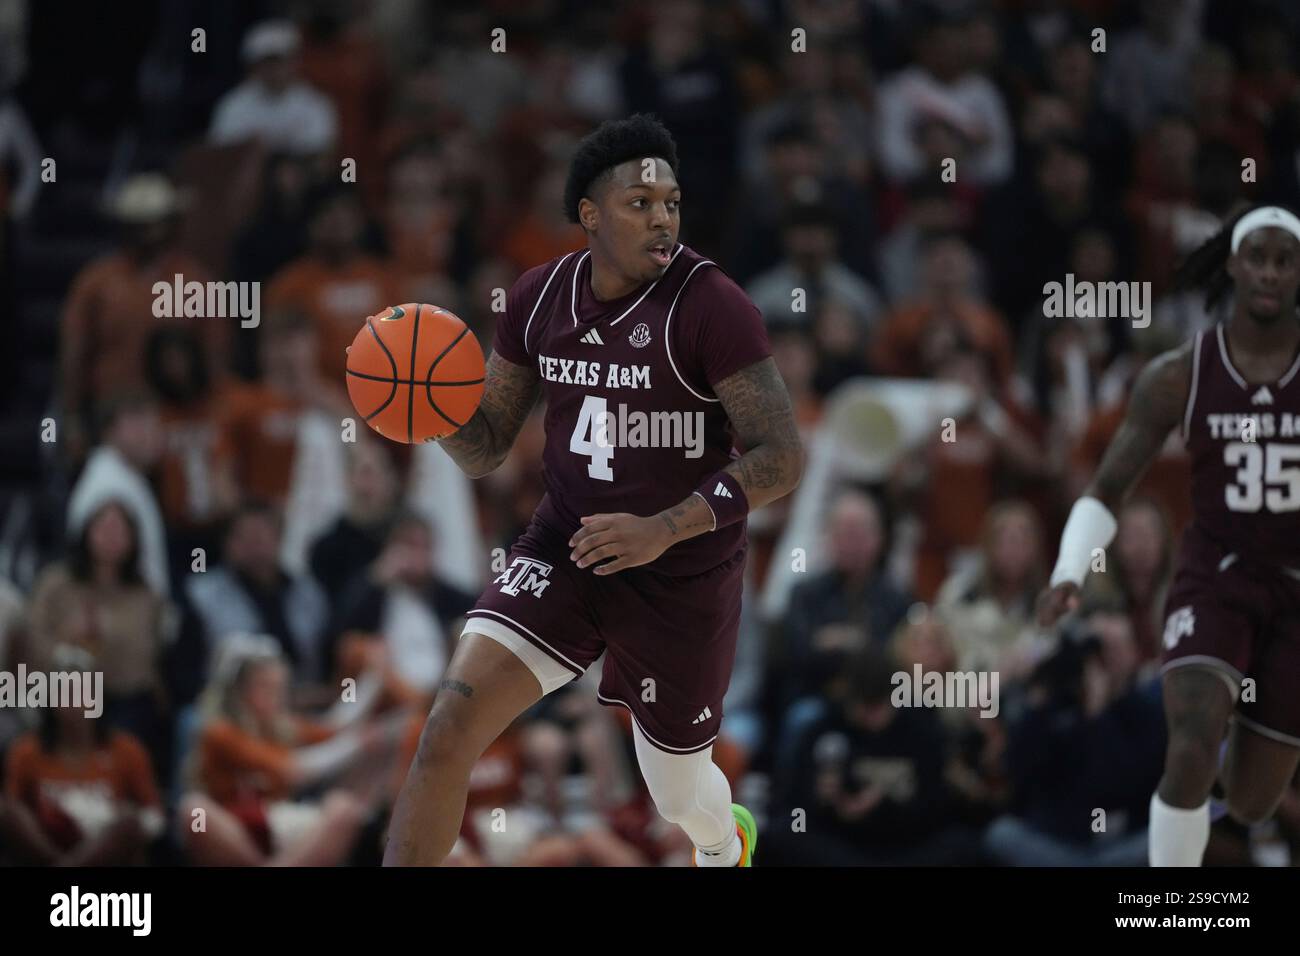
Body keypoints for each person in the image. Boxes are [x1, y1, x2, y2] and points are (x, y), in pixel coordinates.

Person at [383, 114, 804, 867]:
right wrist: (430, 409)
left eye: (671, 202)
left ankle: (723, 841)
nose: (662, 218)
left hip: (682, 569)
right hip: (566, 546)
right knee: (447, 727)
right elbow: (483, 449)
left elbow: (782, 457)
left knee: (677, 795)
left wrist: (664, 528)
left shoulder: (712, 305)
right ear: (589, 215)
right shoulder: (537, 298)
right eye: (640, 204)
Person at [1039, 205, 1300, 867]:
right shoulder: (1180, 374)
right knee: (1190, 742)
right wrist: (1070, 569)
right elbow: (1107, 486)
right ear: (1234, 266)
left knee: (1251, 801)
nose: (1270, 272)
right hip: (1217, 575)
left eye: (1285, 259)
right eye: (1258, 257)